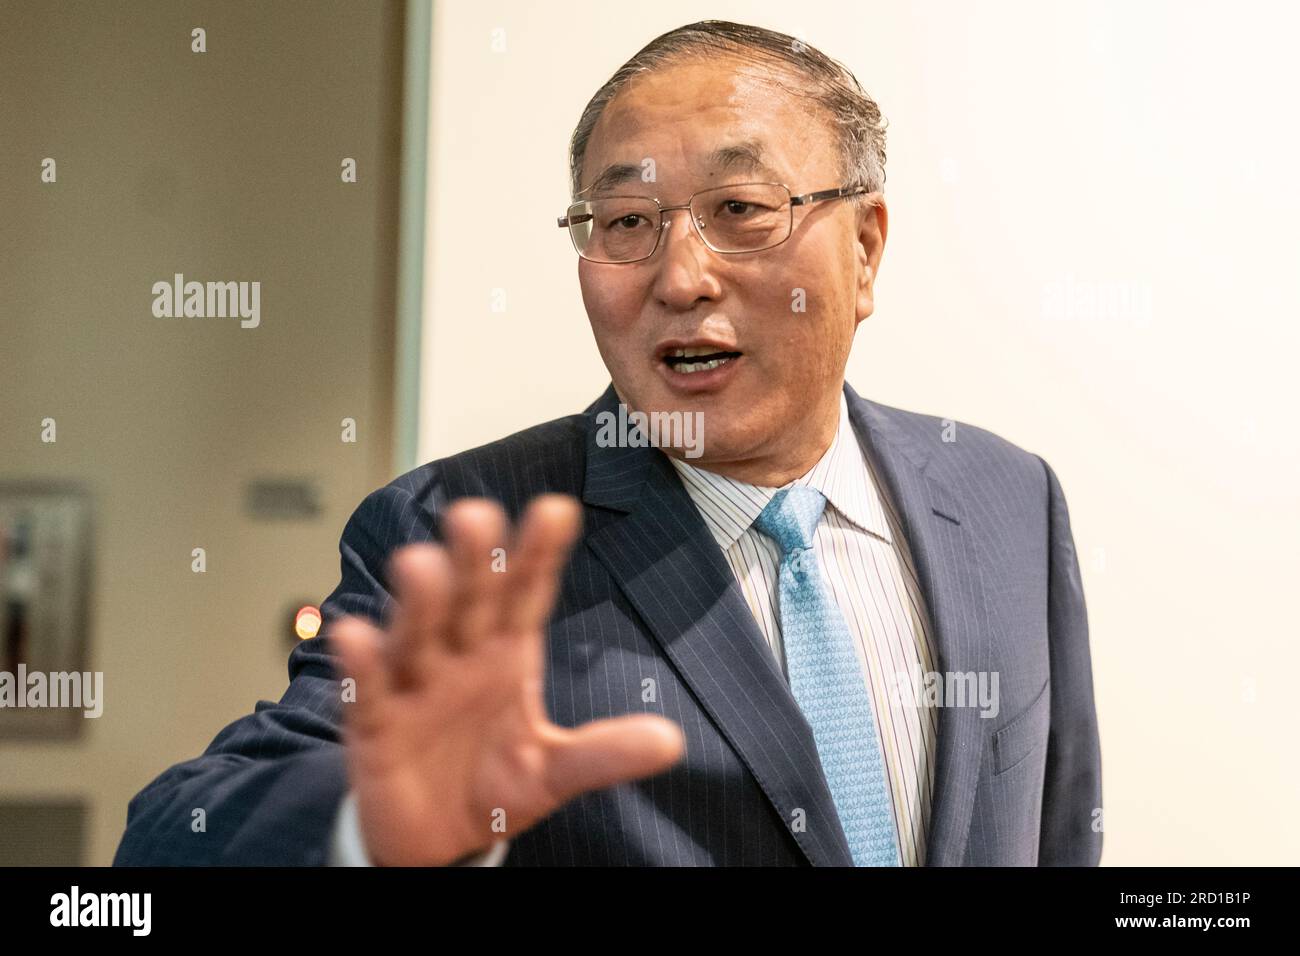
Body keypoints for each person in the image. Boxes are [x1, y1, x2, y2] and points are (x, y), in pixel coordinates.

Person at [113, 20, 1101, 867]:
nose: (680, 275)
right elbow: (169, 836)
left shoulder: (1006, 497)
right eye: (625, 220)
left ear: (865, 245)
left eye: (740, 210)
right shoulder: (464, 529)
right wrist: (370, 819)